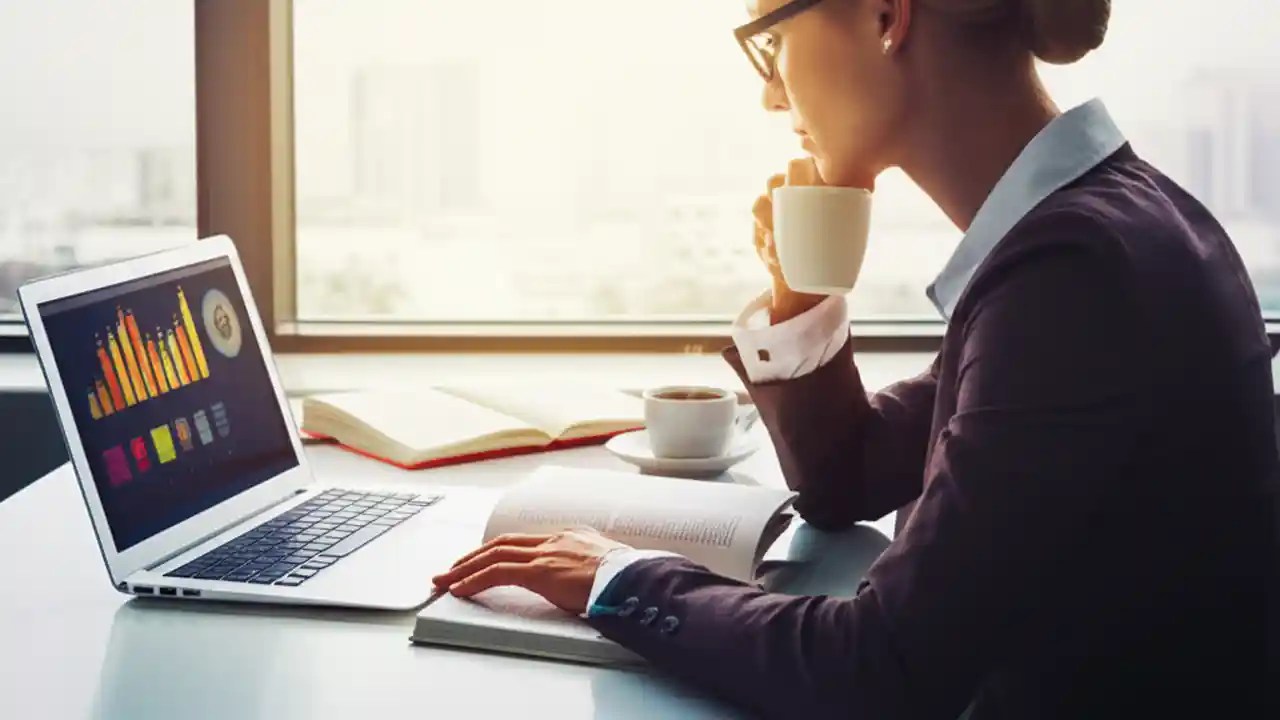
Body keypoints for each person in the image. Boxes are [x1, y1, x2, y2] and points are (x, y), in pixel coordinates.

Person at [434, 0, 1279, 716]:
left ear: (884, 15)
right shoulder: (1105, 226)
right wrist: (798, 296)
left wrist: (620, 579)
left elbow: (881, 671)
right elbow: (851, 477)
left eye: (771, 39)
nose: (770, 96)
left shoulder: (1074, 276)